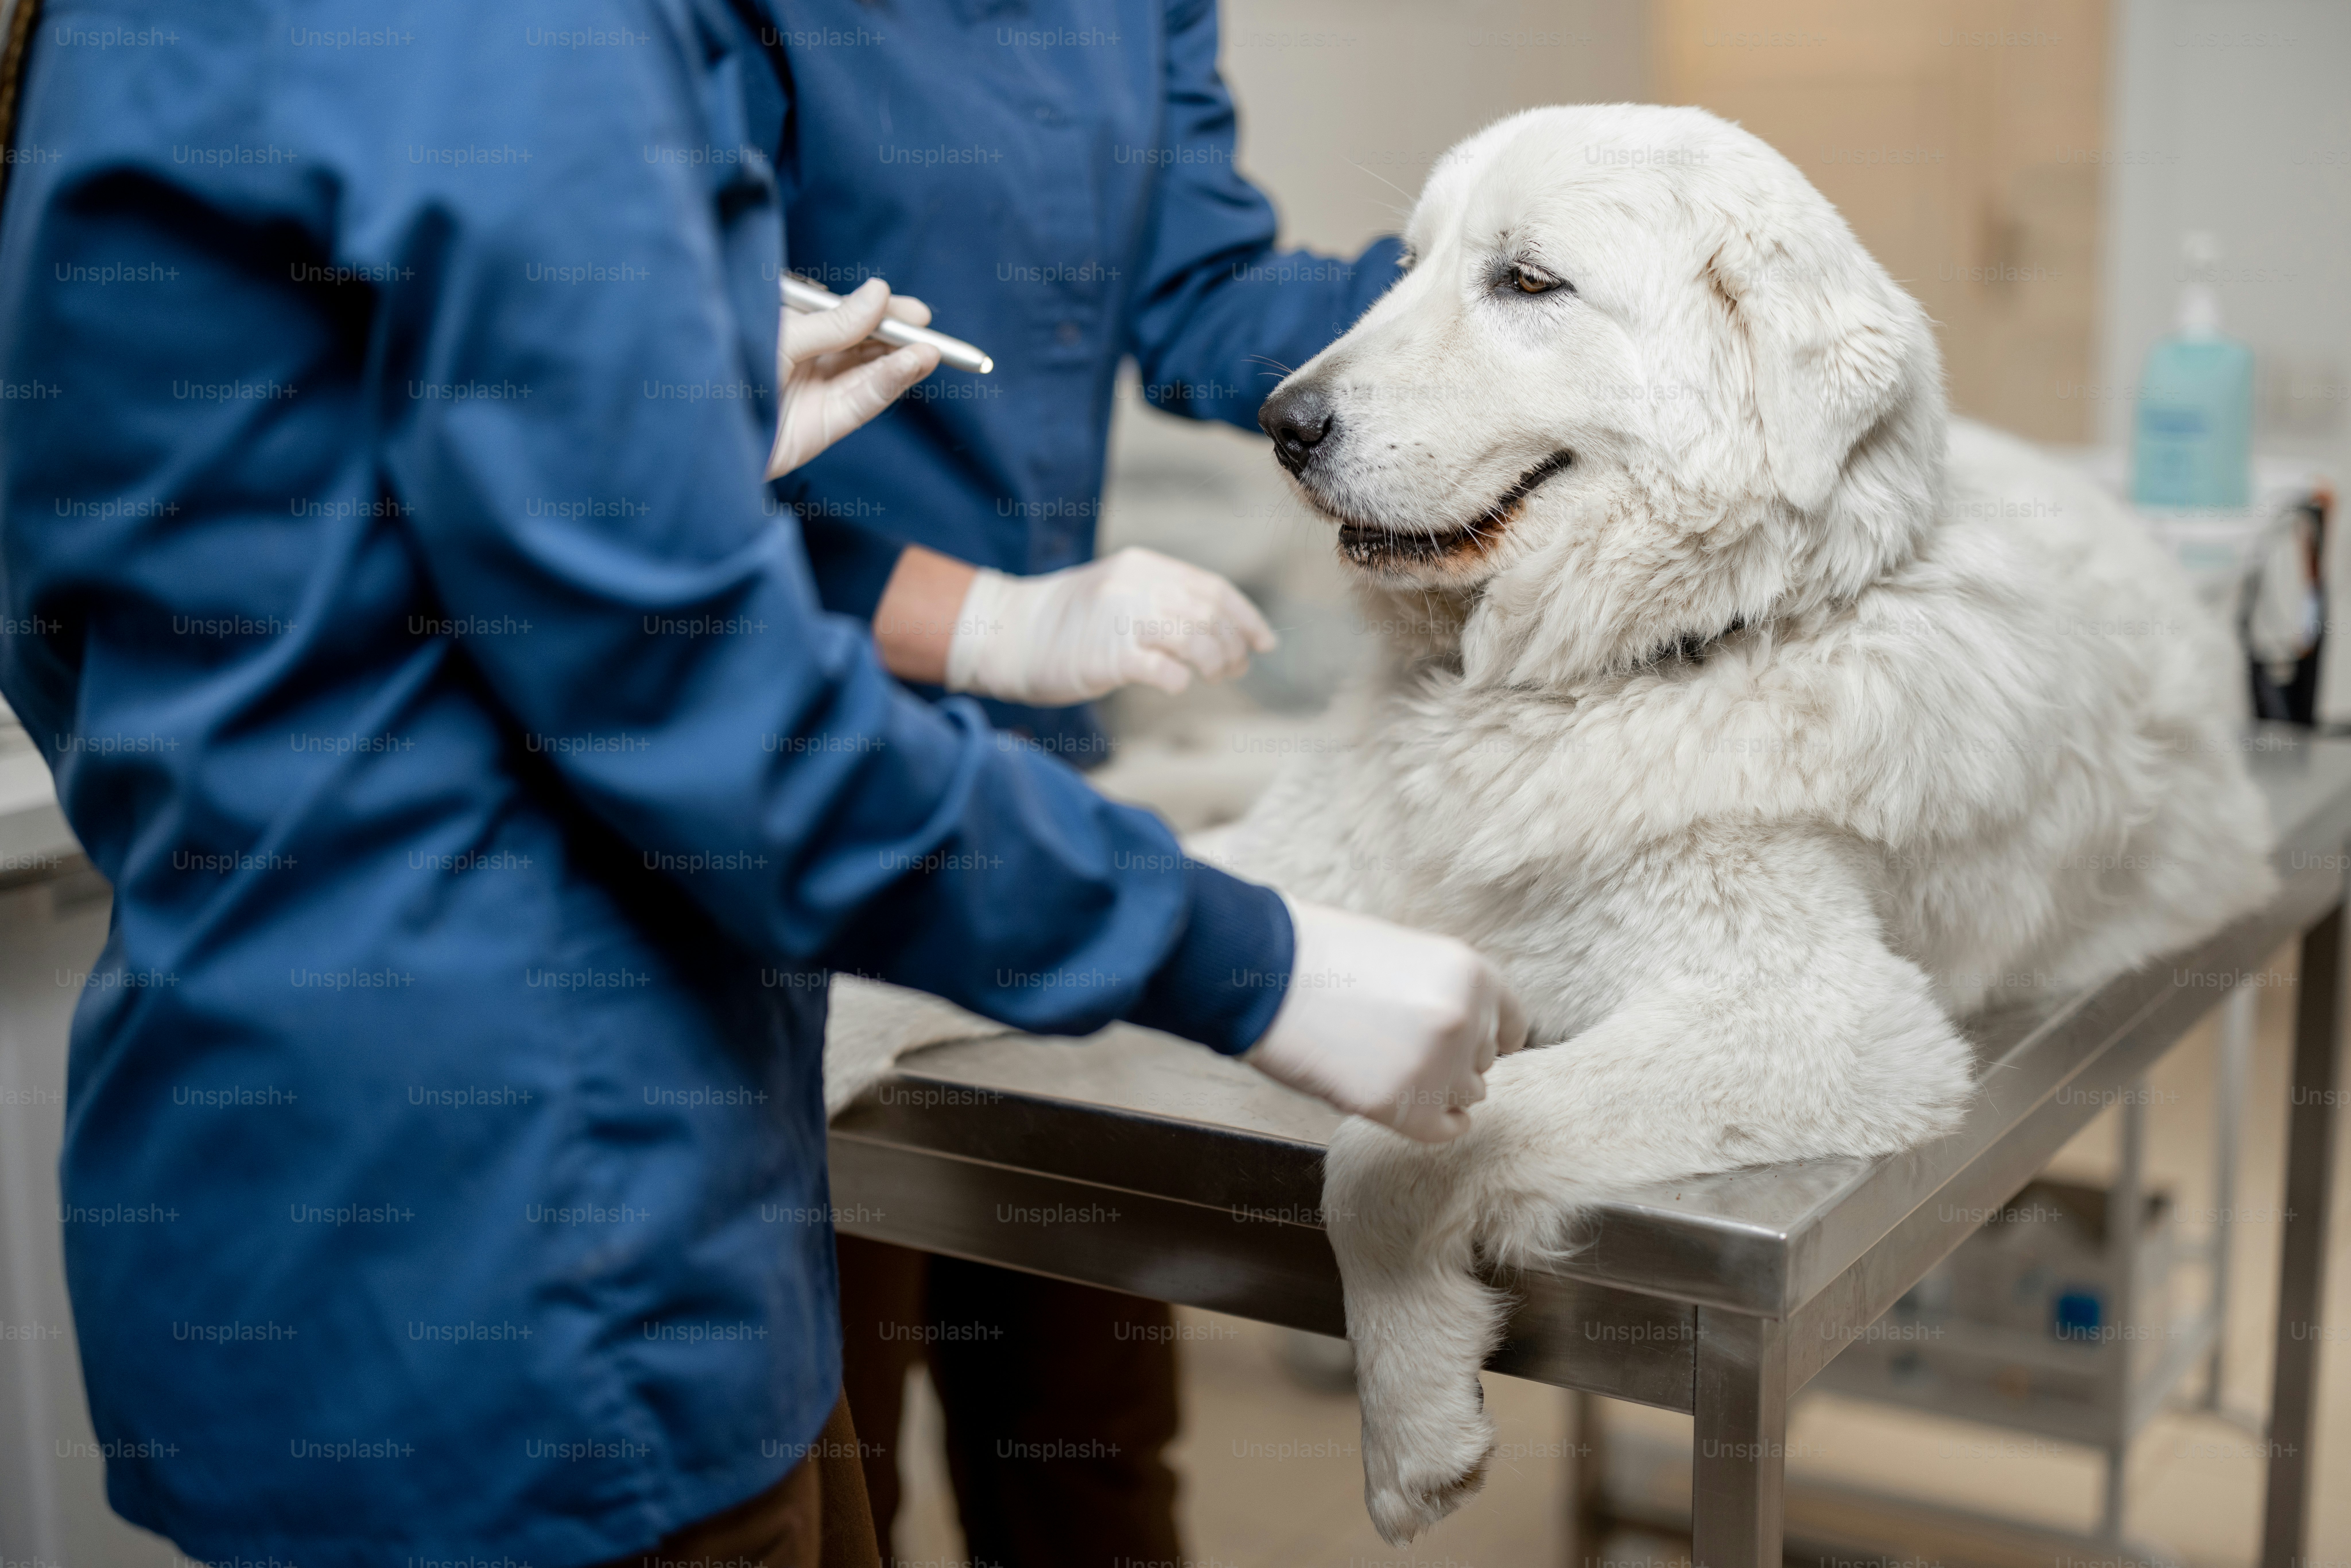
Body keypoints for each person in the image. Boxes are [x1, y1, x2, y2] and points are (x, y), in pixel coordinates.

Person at [0, 5, 1522, 1567]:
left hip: (277, 1230)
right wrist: (1254, 959)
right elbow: (695, 694)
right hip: (549, 1261)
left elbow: (106, 610)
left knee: (1076, 1456)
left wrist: (687, 438)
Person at [763, 6, 1412, 1559]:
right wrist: (987, 615)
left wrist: (1473, 287)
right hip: (785, 788)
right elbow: (618, 472)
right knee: (829, 1470)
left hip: (1036, 798)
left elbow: (1202, 299)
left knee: (1090, 1454)